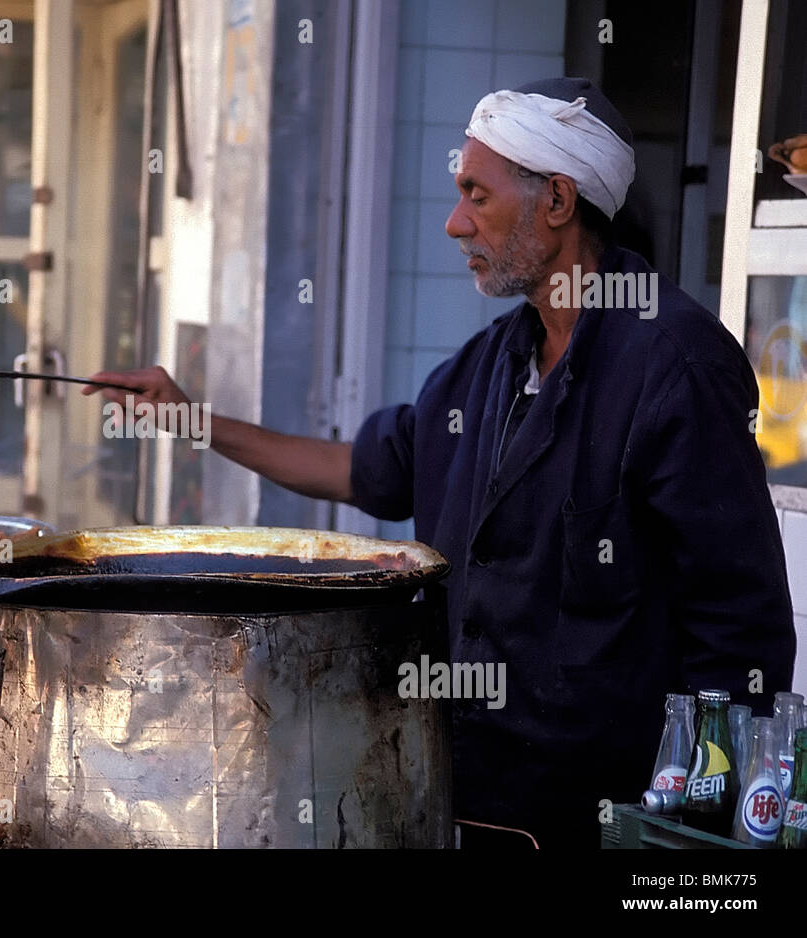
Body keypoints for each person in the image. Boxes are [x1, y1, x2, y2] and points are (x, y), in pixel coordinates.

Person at [84, 78, 797, 849]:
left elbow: (740, 628)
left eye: (476, 196)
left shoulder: (674, 363)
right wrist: (188, 416)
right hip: (463, 798)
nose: (457, 224)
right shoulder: (484, 369)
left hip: (601, 820)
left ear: (556, 201)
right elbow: (360, 472)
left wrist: (692, 835)